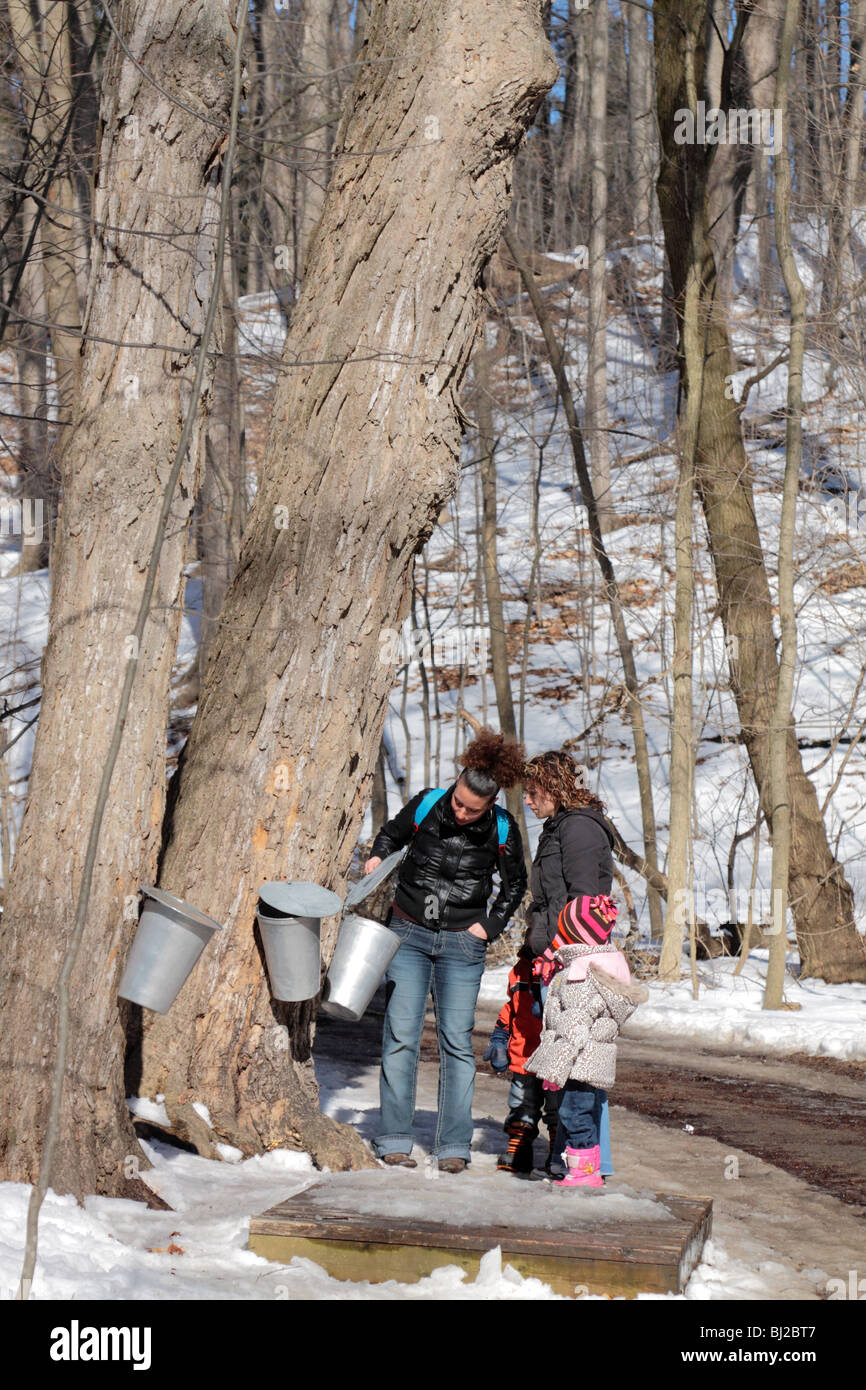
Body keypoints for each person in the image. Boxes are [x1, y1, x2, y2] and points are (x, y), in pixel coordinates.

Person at [366, 731, 527, 1173]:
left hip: (462, 943)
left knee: (456, 1043)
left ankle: (454, 1145)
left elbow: (515, 886)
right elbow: (390, 835)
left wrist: (487, 928)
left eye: (470, 808)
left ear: (489, 805)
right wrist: (378, 859)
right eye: (457, 800)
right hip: (408, 933)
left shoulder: (502, 828)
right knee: (400, 1036)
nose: (458, 811)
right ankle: (394, 1138)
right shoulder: (427, 803)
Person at [523, 749, 618, 1178]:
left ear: (555, 786)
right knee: (568, 1062)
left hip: (573, 961)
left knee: (581, 1063)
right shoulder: (559, 826)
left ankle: (592, 1164)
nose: (527, 799)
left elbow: (585, 904)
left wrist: (561, 953)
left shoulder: (578, 828)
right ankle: (570, 1162)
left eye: (533, 790)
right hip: (557, 957)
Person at [525, 899, 647, 1186]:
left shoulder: (579, 972)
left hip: (577, 1057)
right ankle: (586, 1170)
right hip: (593, 1058)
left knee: (573, 1113)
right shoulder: (605, 967)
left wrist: (556, 1068)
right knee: (584, 1112)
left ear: (574, 934)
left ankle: (583, 1173)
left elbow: (574, 1028)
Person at [483, 937, 561, 1175]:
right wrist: (499, 1039)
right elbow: (511, 1007)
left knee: (557, 1109)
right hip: (523, 1056)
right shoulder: (520, 969)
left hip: (555, 1058)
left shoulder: (564, 967)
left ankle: (557, 1154)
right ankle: (519, 1149)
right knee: (521, 1105)